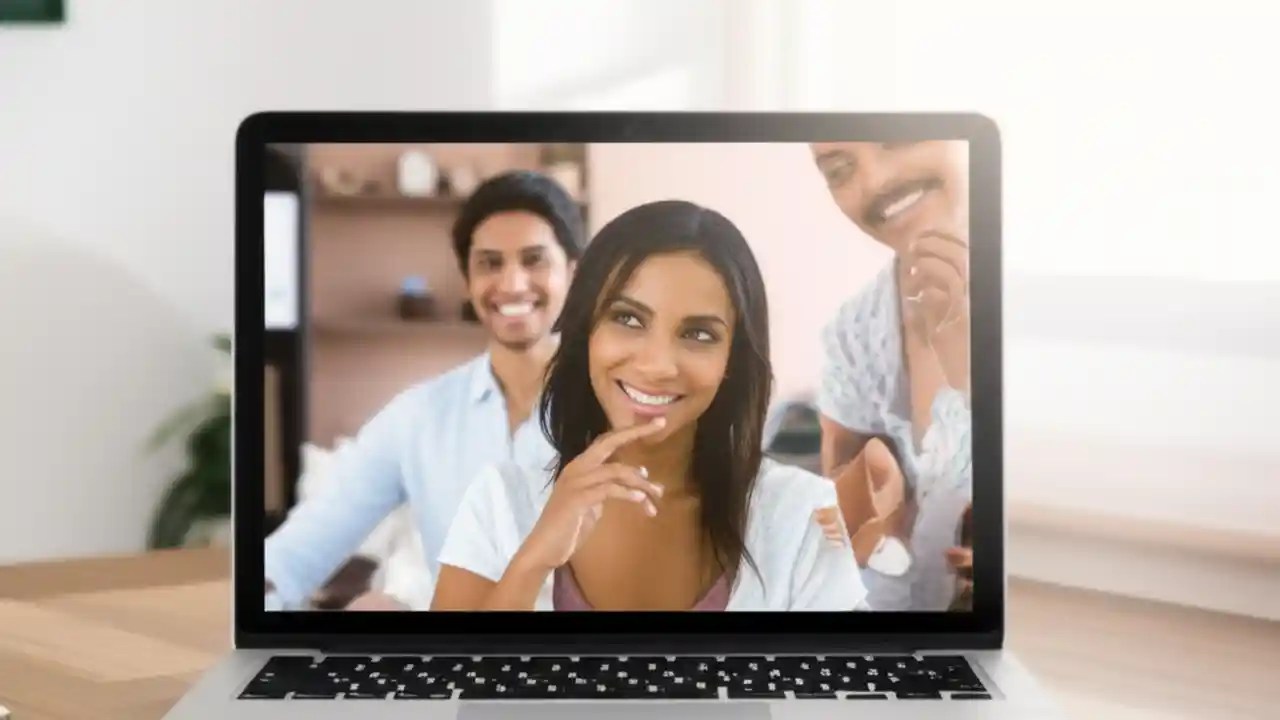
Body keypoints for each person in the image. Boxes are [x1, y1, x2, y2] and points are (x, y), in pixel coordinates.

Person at [431, 200, 867, 611]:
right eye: (628, 319)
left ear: (732, 362)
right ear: (587, 332)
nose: (657, 366)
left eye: (699, 334)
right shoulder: (501, 502)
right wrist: (534, 559)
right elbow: (451, 668)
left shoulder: (802, 512)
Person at [263, 170, 585, 611]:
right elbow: (293, 556)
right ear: (467, 280)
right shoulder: (418, 416)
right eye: (490, 263)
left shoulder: (616, 404)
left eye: (534, 260)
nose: (512, 284)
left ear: (572, 272)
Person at [809, 141, 974, 611]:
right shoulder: (855, 332)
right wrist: (877, 525)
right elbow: (847, 497)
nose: (875, 181)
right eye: (839, 169)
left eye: (898, 138)